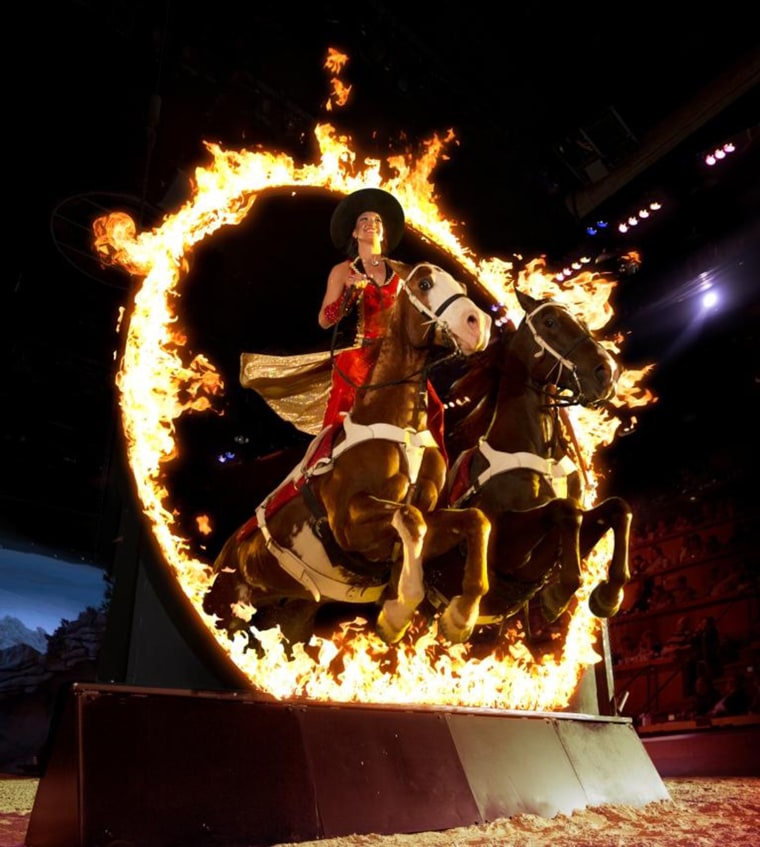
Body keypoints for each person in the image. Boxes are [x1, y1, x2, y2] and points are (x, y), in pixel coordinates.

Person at [318, 187, 446, 450]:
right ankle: (322, 463)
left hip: (396, 356)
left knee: (435, 407)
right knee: (341, 409)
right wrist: (350, 295)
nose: (371, 223)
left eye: (377, 219)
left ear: (384, 232)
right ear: (354, 233)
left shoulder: (401, 273)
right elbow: (325, 320)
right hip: (358, 357)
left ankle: (437, 467)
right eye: (363, 219)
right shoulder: (343, 271)